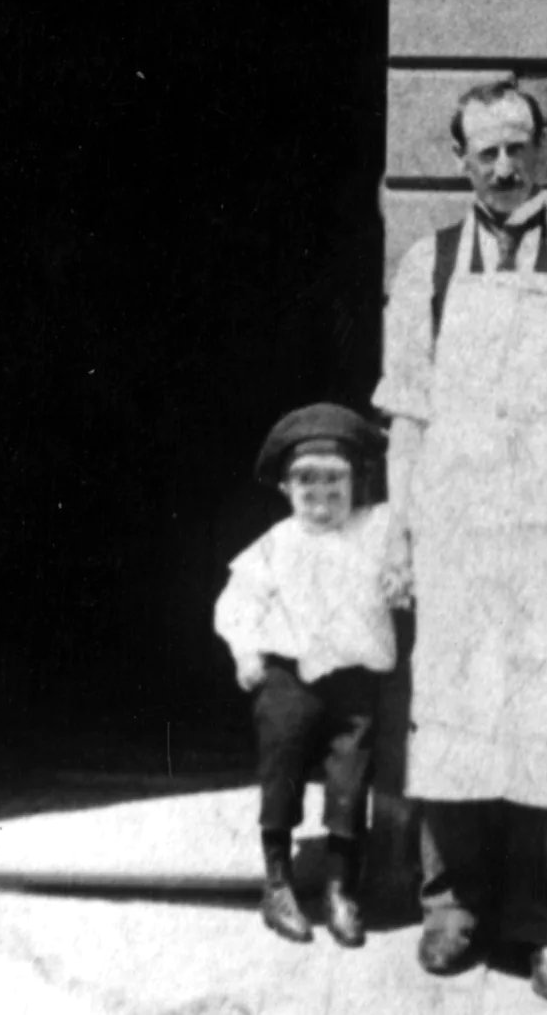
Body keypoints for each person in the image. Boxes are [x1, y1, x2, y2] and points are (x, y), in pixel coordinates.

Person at [375, 72, 547, 1004]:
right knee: (451, 711)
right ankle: (449, 906)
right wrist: (401, 535)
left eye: (518, 148)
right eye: (486, 151)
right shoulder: (430, 267)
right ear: (459, 159)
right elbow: (406, 416)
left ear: (542, 152)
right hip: (456, 533)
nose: (503, 167)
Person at [213, 401, 396, 949]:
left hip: (354, 683)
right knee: (283, 771)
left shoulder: (377, 531)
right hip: (289, 681)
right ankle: (278, 884)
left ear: (357, 484)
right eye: (307, 487)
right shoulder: (276, 544)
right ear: (286, 490)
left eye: (335, 485)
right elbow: (237, 603)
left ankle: (341, 888)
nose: (322, 499)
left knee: (350, 782)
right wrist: (246, 653)